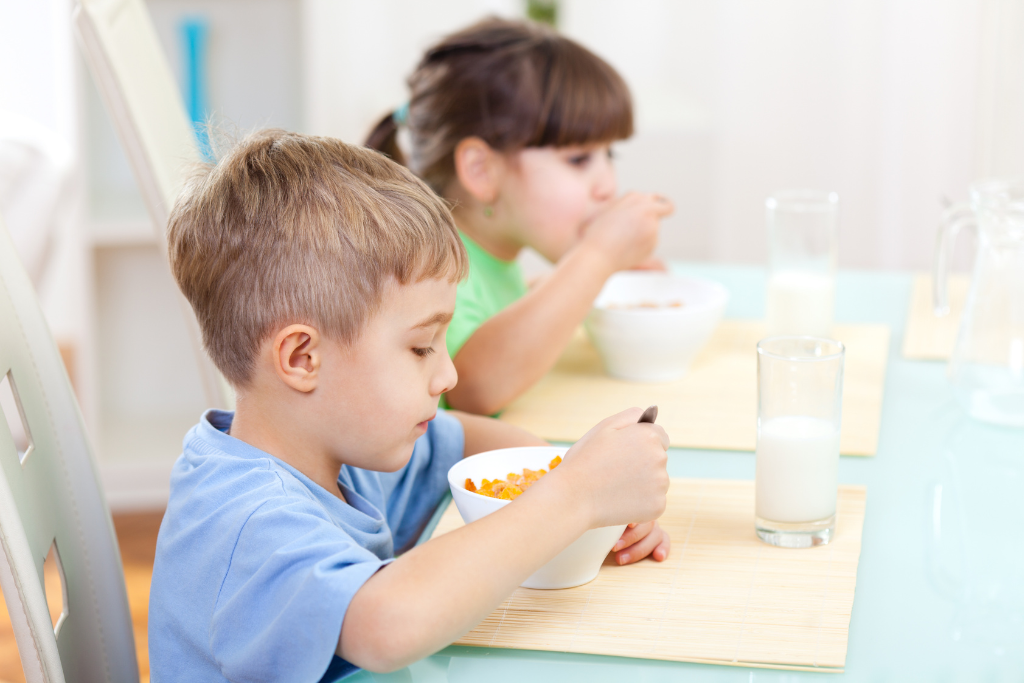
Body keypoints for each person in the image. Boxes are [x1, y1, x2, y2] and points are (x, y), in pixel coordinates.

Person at [148, 129, 671, 682]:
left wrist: (590, 496)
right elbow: (389, 625)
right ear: (302, 358)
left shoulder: (335, 448)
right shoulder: (245, 522)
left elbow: (484, 445)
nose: (447, 374)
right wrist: (575, 496)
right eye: (422, 347)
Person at [366, 18, 674, 416]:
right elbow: (474, 386)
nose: (607, 185)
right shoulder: (429, 266)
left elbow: (490, 311)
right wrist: (597, 256)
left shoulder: (489, 254)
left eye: (609, 155)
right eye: (579, 159)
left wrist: (590, 280)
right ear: (482, 171)